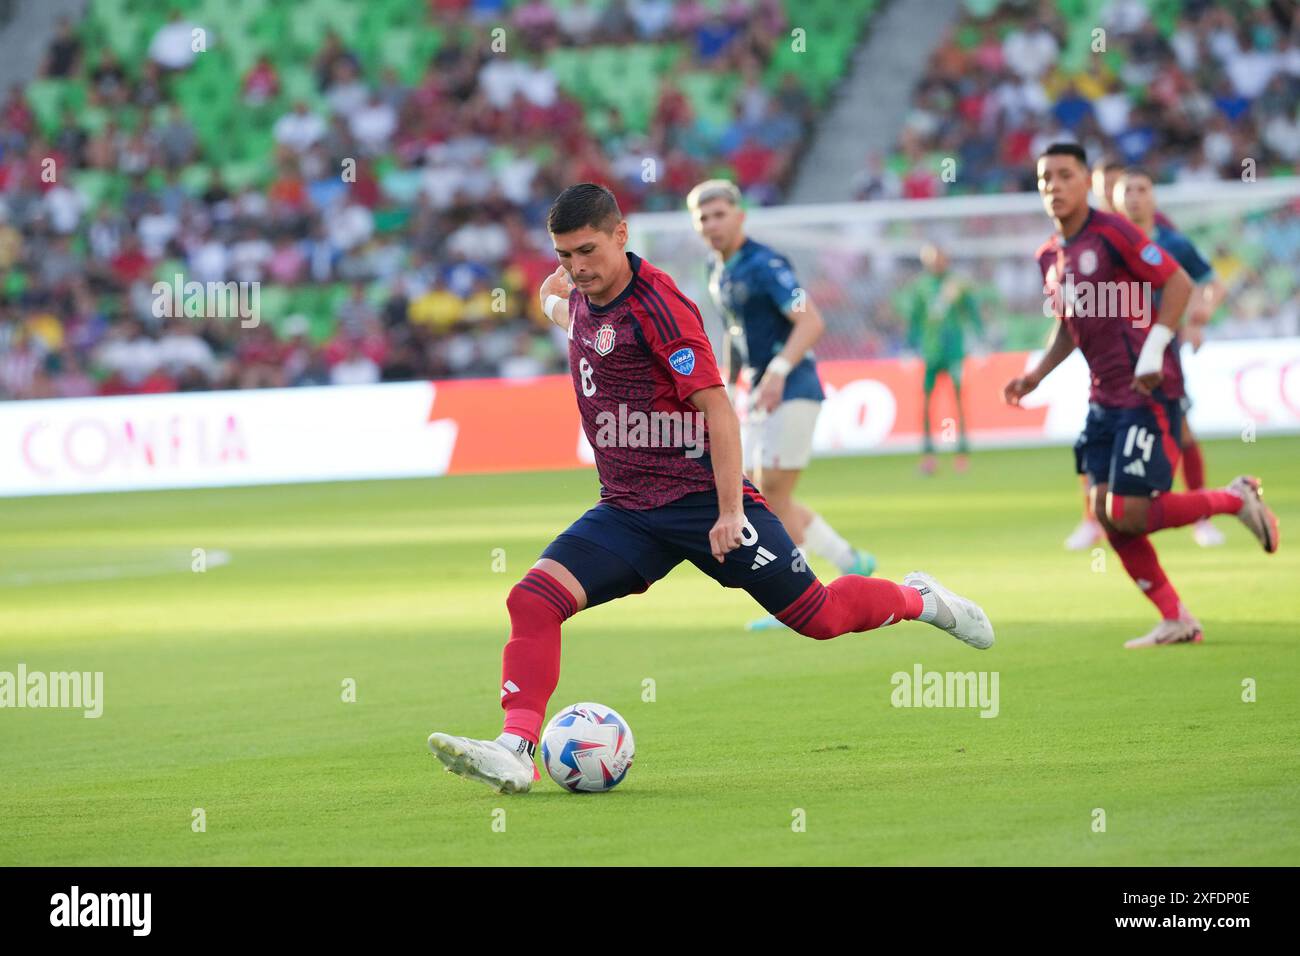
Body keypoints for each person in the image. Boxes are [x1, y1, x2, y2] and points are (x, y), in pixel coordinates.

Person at [428, 184, 993, 793]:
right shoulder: (583, 292)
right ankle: (515, 748)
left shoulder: (661, 306)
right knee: (532, 600)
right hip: (626, 512)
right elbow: (576, 318)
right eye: (564, 256)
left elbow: (719, 412)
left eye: (588, 251)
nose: (577, 267)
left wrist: (728, 511)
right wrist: (554, 297)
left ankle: (920, 599)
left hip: (702, 501)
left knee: (819, 616)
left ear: (622, 235)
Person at [1005, 145, 1278, 649]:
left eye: (1065, 176)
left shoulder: (1114, 233)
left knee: (1128, 509)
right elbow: (1070, 327)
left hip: (1148, 390)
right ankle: (1176, 618)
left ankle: (1233, 499)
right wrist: (1036, 375)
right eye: (1045, 178)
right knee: (1105, 511)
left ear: (1087, 181)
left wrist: (1154, 349)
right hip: (1102, 398)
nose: (1054, 186)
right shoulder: (1050, 256)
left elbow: (1177, 284)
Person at [686, 178, 875, 632]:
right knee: (765, 493)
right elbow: (735, 336)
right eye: (703, 218)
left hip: (792, 389)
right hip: (761, 394)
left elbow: (810, 321)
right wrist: (725, 391)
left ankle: (799, 593)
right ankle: (850, 559)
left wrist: (774, 373)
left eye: (720, 214)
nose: (713, 224)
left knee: (771, 498)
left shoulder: (766, 264)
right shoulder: (719, 272)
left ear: (740, 215)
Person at [1112, 166, 1228, 547]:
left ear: (1153, 197)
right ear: (1115, 198)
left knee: (1182, 432)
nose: (1134, 197)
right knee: (1110, 432)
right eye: (1127, 190)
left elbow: (1211, 283)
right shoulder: (1108, 245)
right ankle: (1107, 517)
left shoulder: (1173, 244)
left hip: (1162, 353)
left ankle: (1201, 516)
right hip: (1117, 356)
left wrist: (1199, 316)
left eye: (1141, 189)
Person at [901, 243, 983, 474]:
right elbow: (915, 319)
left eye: (940, 257)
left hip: (955, 351)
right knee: (927, 403)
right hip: (931, 352)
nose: (936, 262)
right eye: (932, 258)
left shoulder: (958, 283)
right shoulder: (920, 287)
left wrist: (978, 340)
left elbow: (972, 312)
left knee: (958, 401)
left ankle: (961, 451)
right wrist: (909, 346)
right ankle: (928, 454)